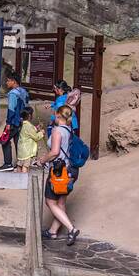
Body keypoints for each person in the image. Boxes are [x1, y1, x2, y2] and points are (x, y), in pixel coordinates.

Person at [43, 104, 81, 244]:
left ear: (58, 115)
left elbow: (54, 152)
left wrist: (42, 160)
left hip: (59, 172)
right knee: (60, 202)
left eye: (55, 114)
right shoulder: (70, 130)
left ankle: (71, 229)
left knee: (50, 201)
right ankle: (53, 231)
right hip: (71, 171)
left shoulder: (57, 130)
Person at [0, 71, 30, 170]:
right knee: (18, 142)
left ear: (14, 81)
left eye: (8, 81)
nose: (7, 83)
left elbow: (11, 110)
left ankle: (8, 163)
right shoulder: (24, 91)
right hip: (21, 120)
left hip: (13, 121)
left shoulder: (13, 94)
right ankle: (20, 163)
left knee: (4, 140)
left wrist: (8, 123)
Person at [16, 107, 45, 173]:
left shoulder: (23, 124)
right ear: (29, 115)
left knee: (20, 164)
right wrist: (41, 133)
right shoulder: (28, 126)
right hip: (27, 151)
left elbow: (29, 132)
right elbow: (36, 137)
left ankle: (18, 179)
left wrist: (37, 128)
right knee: (25, 166)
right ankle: (24, 180)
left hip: (21, 150)